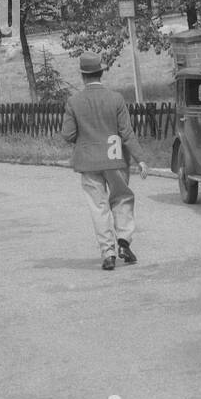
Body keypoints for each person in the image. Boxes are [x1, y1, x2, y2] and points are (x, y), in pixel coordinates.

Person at [60, 52, 149, 270]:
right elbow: (127, 133)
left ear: (83, 76)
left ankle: (107, 253)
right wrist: (141, 159)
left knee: (98, 207)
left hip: (88, 163)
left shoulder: (74, 102)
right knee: (122, 199)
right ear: (101, 72)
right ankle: (124, 242)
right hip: (116, 159)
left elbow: (68, 135)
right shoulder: (116, 99)